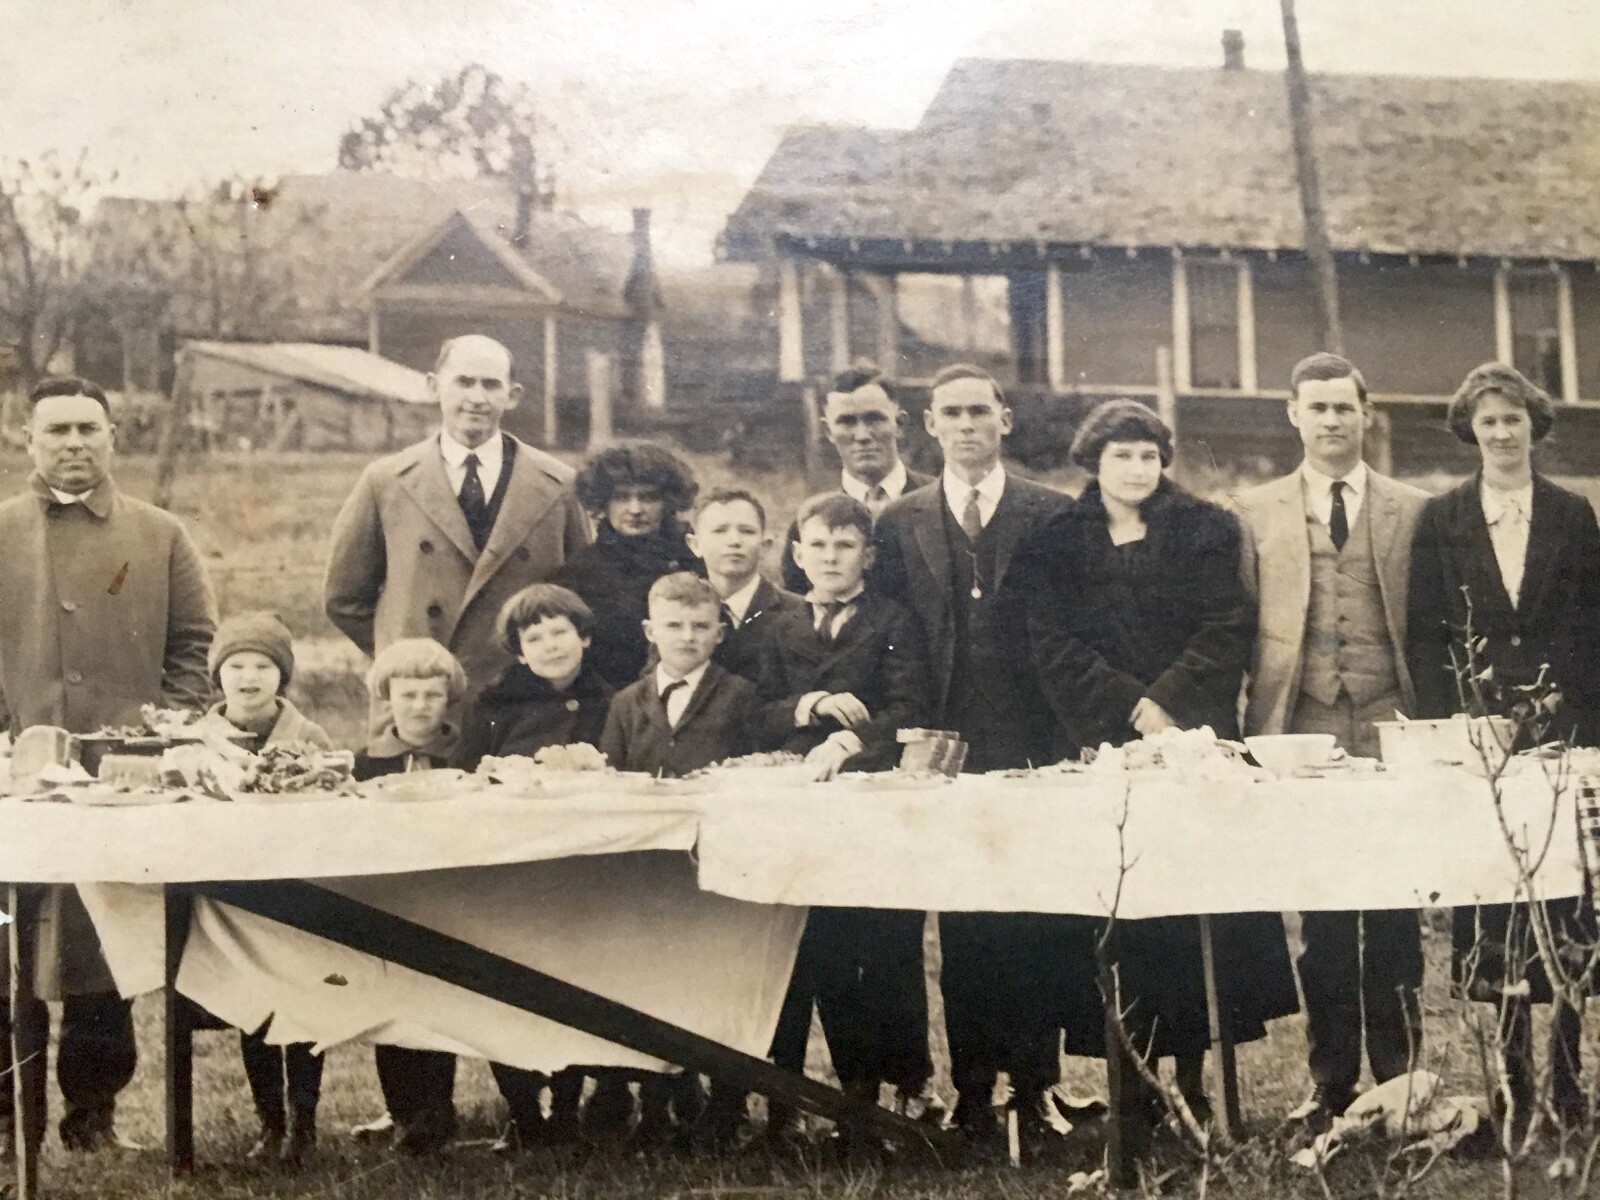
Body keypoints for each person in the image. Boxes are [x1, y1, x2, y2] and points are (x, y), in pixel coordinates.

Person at [1010, 400, 1297, 1139]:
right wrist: (1126, 709)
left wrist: (1167, 704)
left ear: (1162, 462)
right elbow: (1050, 641)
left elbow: (1226, 624)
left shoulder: (1205, 528)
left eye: (1147, 455)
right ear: (1093, 463)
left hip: (1194, 738)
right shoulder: (1057, 540)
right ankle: (1130, 1082)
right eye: (1121, 456)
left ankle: (1196, 1084)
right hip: (1103, 746)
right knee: (1118, 914)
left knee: (1193, 910)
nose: (1136, 469)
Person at [0, 375, 216, 1156]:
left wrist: (160, 731)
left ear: (113, 435)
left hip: (118, 779)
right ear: (28, 440)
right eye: (56, 430)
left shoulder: (160, 534)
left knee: (98, 948)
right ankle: (3, 1118)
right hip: (17, 780)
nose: (74, 444)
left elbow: (194, 644)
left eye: (89, 428)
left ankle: (93, 1112)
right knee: (7, 948)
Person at [871, 363, 1071, 1149]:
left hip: (1032, 743)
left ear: (1005, 420)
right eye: (950, 413)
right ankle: (973, 1088)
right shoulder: (900, 521)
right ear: (929, 425)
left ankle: (1037, 1087)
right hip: (945, 743)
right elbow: (893, 634)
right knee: (960, 925)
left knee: (1037, 917)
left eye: (979, 412)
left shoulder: (1050, 515)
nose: (966, 425)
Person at [1233, 352, 1430, 1136]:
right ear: (1293, 414)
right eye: (1316, 408)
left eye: (1344, 407)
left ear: (1366, 411)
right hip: (1301, 725)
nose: (1331, 421)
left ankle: (1402, 1076)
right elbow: (1240, 625)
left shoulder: (1413, 509)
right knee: (1319, 914)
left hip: (1390, 725)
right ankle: (1330, 1080)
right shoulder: (1254, 510)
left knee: (1392, 908)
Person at [1406, 362, 1600, 1131]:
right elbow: (1426, 636)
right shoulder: (1443, 518)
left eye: (1513, 419)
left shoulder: (1573, 513)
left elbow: (1595, 622)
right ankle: (1514, 1080)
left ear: (1534, 427)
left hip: (1566, 735)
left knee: (1565, 907)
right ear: (1471, 432)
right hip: (1481, 742)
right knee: (1498, 908)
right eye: (1488, 421)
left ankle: (1567, 1079)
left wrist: (1564, 698)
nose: (1502, 432)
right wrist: (1460, 718)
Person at [758, 492, 932, 1145]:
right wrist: (811, 707)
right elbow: (758, 711)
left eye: (845, 545)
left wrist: (851, 742)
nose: (830, 557)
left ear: (869, 555)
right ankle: (797, 1097)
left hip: (870, 801)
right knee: (811, 949)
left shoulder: (894, 621)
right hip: (797, 807)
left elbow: (909, 707)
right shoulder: (777, 626)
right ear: (798, 553)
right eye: (818, 546)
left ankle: (886, 1091)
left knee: (879, 946)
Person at [324, 334, 590, 707]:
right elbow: (344, 598)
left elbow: (582, 594)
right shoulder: (386, 481)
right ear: (434, 387)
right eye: (463, 382)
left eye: (491, 385)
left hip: (522, 697)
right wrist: (402, 658)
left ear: (512, 395)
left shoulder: (558, 484)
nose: (477, 398)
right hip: (420, 702)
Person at [453, 584, 614, 1150]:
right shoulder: (493, 704)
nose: (550, 645)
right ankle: (522, 1110)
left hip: (582, 868)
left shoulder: (609, 699)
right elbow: (465, 778)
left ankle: (568, 1106)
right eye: (534, 637)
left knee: (575, 983)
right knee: (507, 984)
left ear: (585, 638)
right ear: (519, 650)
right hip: (511, 866)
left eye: (560, 632)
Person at [597, 572, 757, 1143]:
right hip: (646, 864)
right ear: (650, 631)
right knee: (650, 977)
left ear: (719, 631)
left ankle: (724, 1105)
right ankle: (655, 1098)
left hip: (712, 858)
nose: (686, 637)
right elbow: (611, 779)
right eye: (673, 626)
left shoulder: (739, 694)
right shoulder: (625, 702)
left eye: (700, 626)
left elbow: (749, 771)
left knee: (714, 977)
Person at [200, 612, 332, 1165]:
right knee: (254, 1011)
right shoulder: (200, 738)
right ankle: (269, 1122)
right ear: (219, 676)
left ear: (283, 676)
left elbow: (336, 800)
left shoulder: (311, 738)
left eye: (263, 665)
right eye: (236, 666)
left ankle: (304, 1121)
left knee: (300, 1010)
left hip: (297, 891)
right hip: (230, 895)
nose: (249, 677)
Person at [350, 638, 468, 1155]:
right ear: (386, 697)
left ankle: (437, 1110)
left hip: (452, 896)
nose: (420, 706)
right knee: (393, 1001)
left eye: (432, 695)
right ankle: (404, 1111)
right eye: (408, 694)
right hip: (387, 895)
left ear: (449, 699)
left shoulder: (469, 755)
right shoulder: (364, 763)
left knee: (442, 1003)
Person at [556, 443, 700, 688]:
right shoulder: (576, 576)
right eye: (622, 497)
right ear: (603, 502)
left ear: (668, 502)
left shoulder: (696, 562)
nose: (635, 510)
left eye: (648, 497)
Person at [781, 366, 934, 592]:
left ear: (899, 424)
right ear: (828, 431)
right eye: (847, 422)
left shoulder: (941, 501)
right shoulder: (811, 520)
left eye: (874, 419)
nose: (862, 436)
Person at [687, 488, 806, 683]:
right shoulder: (678, 611)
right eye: (719, 531)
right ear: (695, 545)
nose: (734, 541)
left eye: (747, 531)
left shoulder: (799, 612)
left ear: (764, 545)